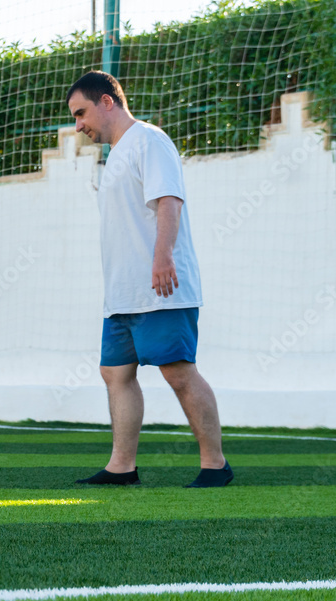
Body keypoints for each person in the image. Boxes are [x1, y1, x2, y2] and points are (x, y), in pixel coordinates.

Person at [65, 71, 232, 488]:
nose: (78, 125)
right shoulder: (115, 155)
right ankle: (122, 467)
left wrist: (162, 258)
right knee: (115, 373)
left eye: (81, 113)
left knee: (178, 372)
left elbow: (169, 201)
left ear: (107, 101)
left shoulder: (149, 140)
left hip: (161, 289)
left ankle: (215, 465)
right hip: (122, 295)